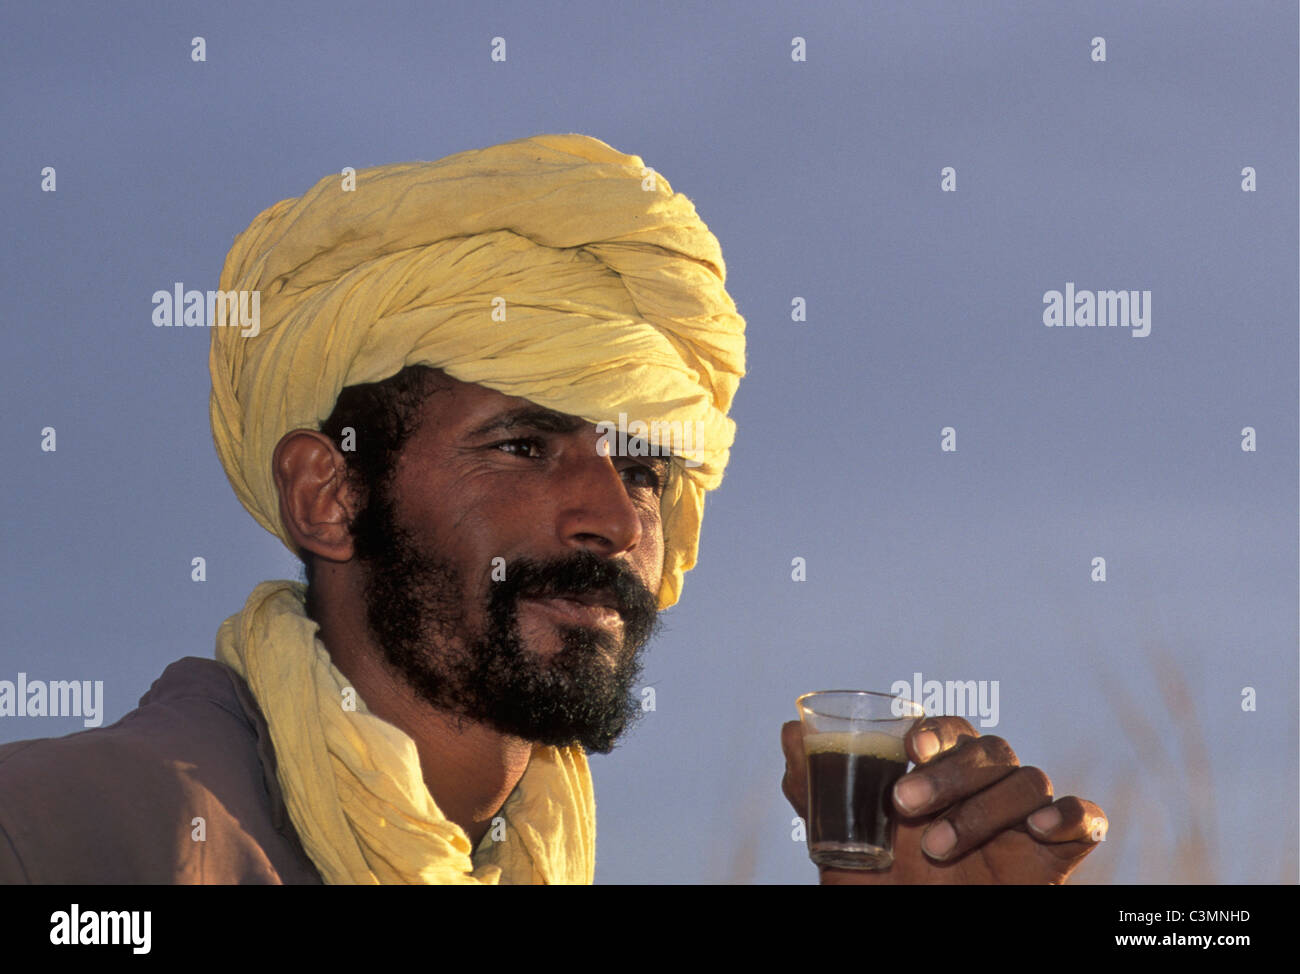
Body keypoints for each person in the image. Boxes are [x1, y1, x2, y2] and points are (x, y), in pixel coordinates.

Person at [0, 134, 1105, 884]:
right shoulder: (70, 839)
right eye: (523, 444)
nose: (613, 522)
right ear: (329, 494)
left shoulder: (530, 854)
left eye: (646, 470)